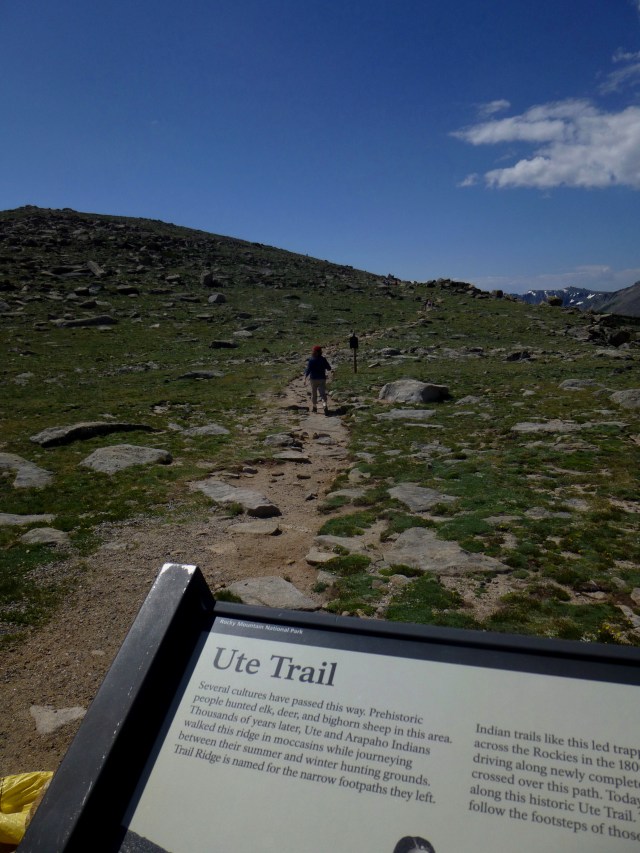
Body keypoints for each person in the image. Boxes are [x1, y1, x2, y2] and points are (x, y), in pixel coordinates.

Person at [304, 345, 332, 414]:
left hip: (313, 379)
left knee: (314, 393)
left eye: (313, 351)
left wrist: (304, 378)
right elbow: (329, 368)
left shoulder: (311, 360)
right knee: (322, 393)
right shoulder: (323, 359)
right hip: (322, 378)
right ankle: (324, 405)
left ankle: (314, 407)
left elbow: (308, 370)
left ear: (315, 352)